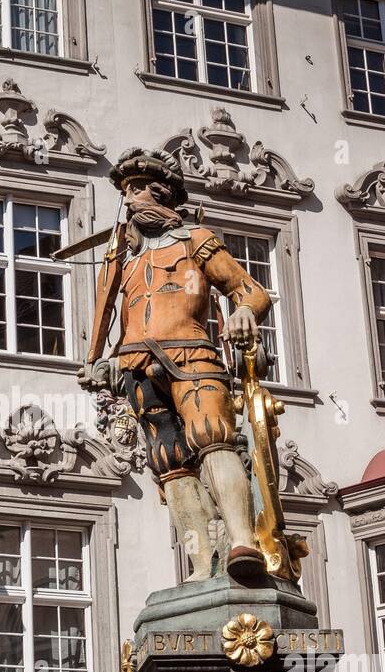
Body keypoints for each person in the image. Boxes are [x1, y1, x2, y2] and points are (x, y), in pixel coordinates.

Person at [78, 147, 274, 583]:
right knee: (170, 462)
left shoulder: (196, 241)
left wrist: (244, 313)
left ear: (161, 195)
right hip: (137, 367)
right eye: (126, 194)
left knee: (213, 438)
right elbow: (117, 317)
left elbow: (251, 292)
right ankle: (203, 566)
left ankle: (242, 543)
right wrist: (103, 363)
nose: (128, 203)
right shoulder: (125, 263)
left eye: (136, 192)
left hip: (192, 356)